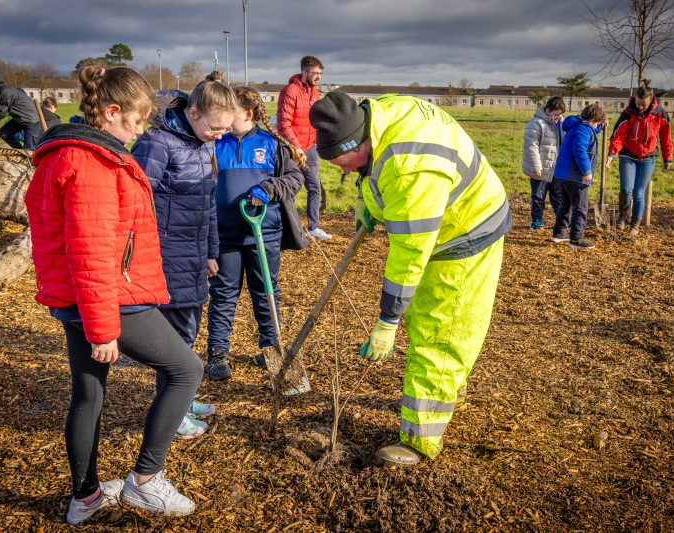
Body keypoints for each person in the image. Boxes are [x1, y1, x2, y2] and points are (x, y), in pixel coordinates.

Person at [24, 65, 201, 524]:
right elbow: (91, 252)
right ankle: (145, 480)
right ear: (111, 111)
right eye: (137, 121)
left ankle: (85, 496)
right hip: (107, 299)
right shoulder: (91, 164)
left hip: (75, 300)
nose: (140, 131)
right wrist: (104, 329)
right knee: (186, 369)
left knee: (87, 395)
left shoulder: (60, 153)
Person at [309, 91, 511, 466]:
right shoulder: (378, 112)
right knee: (425, 316)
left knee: (440, 330)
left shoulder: (409, 169)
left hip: (464, 230)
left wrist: (387, 321)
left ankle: (420, 439)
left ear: (360, 140)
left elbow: (409, 255)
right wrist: (368, 202)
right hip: (443, 212)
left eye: (345, 163)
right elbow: (374, 168)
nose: (345, 171)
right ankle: (449, 389)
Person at [131, 82, 234, 435]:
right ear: (192, 113)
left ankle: (184, 398)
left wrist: (211, 252)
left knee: (188, 331)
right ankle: (172, 416)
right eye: (215, 127)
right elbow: (134, 202)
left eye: (224, 129)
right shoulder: (156, 143)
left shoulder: (203, 145)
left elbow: (208, 207)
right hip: (164, 256)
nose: (219, 136)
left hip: (192, 256)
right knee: (174, 341)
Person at [207, 85, 308, 384]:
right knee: (223, 295)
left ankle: (272, 351)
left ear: (247, 114)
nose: (222, 118)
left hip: (264, 234)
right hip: (225, 236)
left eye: (229, 112)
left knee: (266, 293)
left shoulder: (271, 144)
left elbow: (294, 178)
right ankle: (217, 353)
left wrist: (268, 189)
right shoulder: (215, 142)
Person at [605, 79, 674, 237]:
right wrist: (611, 154)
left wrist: (667, 158)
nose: (640, 106)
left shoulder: (660, 114)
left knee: (639, 192)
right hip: (628, 155)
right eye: (637, 103)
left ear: (651, 100)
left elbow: (666, 138)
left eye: (643, 104)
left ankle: (635, 225)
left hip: (648, 158)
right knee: (626, 189)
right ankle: (622, 217)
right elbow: (618, 136)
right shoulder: (628, 113)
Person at [277, 55, 331, 240]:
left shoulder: (314, 92)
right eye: (315, 73)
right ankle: (287, 229)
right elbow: (284, 124)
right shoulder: (290, 91)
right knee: (291, 188)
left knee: (314, 186)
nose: (318, 77)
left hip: (310, 148)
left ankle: (313, 227)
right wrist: (296, 147)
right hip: (292, 150)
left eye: (320, 73)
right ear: (304, 71)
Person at [550, 104, 608, 250]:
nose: (597, 126)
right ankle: (576, 239)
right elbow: (580, 150)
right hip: (575, 176)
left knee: (566, 204)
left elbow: (591, 132)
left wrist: (601, 127)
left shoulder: (578, 126)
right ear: (592, 120)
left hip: (563, 175)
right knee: (580, 208)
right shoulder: (583, 130)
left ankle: (559, 233)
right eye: (597, 123)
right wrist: (586, 171)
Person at [522, 96, 567, 230]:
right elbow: (531, 146)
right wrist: (536, 166)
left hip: (557, 168)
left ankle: (562, 221)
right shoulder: (536, 124)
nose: (559, 117)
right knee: (538, 196)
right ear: (547, 110)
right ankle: (537, 221)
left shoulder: (562, 123)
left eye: (561, 114)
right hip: (541, 168)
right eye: (556, 114)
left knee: (558, 196)